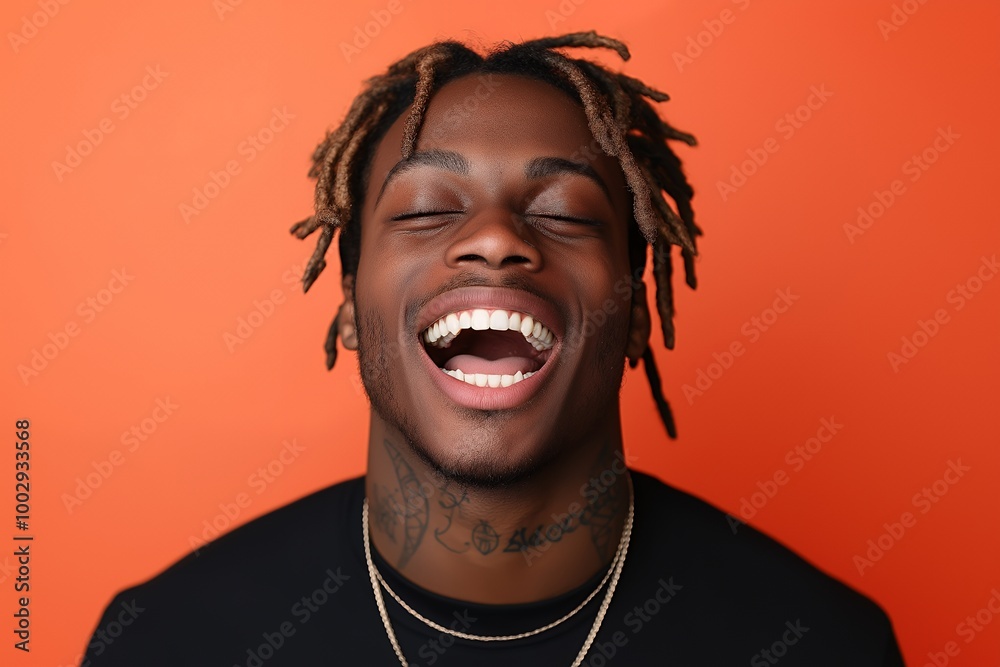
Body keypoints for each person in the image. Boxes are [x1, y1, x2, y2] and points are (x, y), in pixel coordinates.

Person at [82, 32, 905, 666]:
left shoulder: (819, 642)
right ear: (348, 303)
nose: (494, 238)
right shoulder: (171, 638)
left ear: (636, 314)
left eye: (565, 212)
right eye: (426, 208)